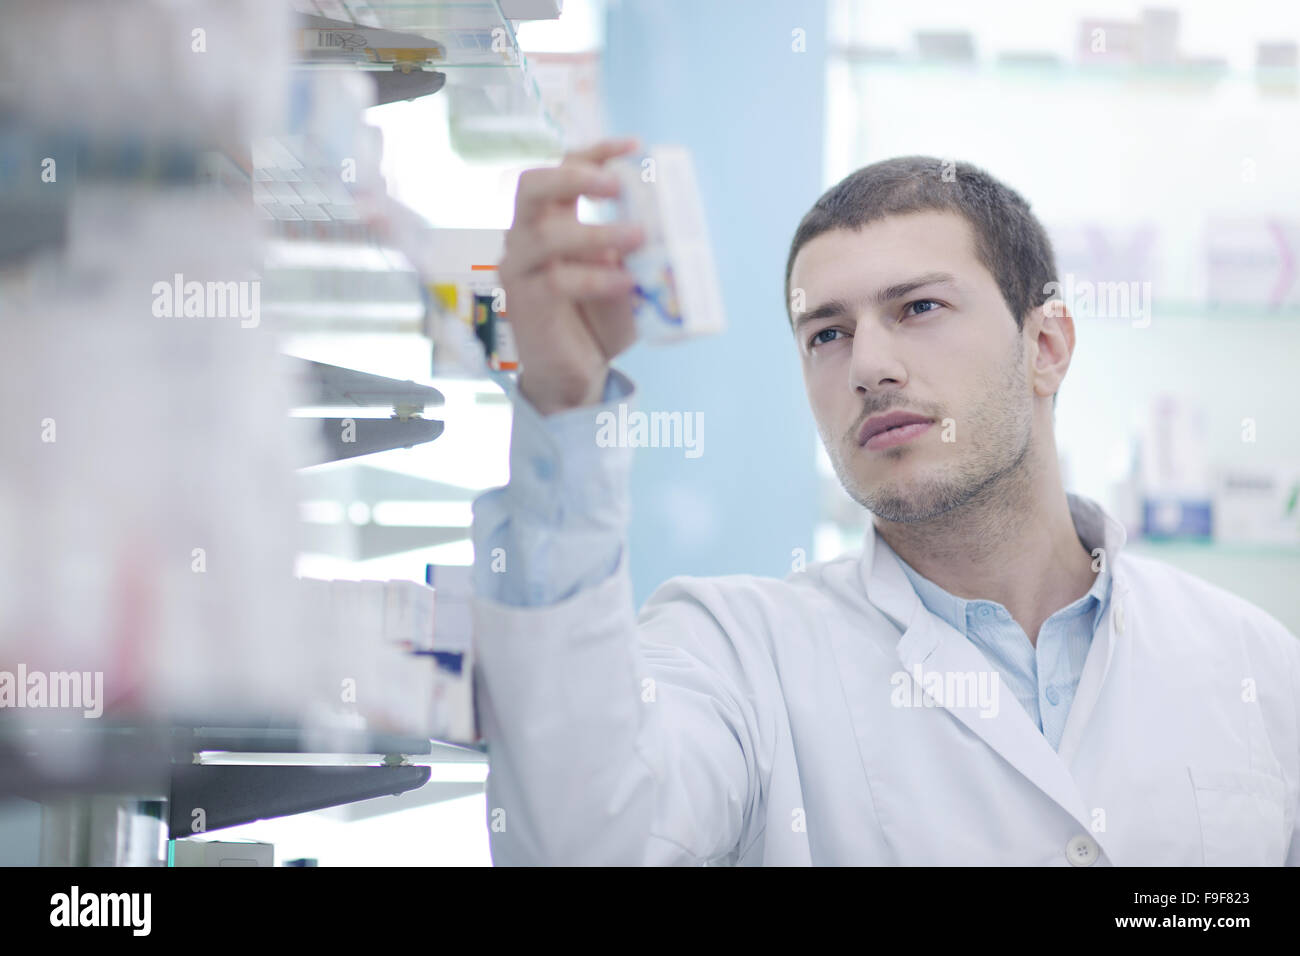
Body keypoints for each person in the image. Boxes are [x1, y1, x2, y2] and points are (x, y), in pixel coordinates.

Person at [471, 139, 1299, 865]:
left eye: (919, 307)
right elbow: (580, 844)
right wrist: (564, 411)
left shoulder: (1253, 664)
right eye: (826, 333)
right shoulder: (736, 654)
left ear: (1046, 346)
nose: (869, 363)